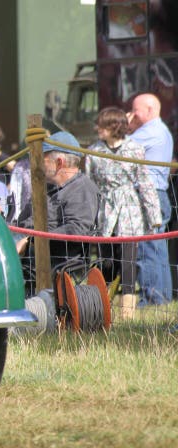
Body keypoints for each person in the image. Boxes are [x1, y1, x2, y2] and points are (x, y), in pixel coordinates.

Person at [85, 107, 161, 318]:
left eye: (102, 125)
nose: (97, 129)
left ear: (114, 127)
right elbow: (90, 186)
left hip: (129, 210)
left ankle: (127, 311)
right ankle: (102, 306)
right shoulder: (93, 151)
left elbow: (144, 182)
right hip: (105, 210)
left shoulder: (135, 150)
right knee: (106, 261)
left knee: (128, 262)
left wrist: (154, 216)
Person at [18, 131, 100, 279]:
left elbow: (76, 229)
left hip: (57, 265)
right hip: (27, 257)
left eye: (42, 159)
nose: (37, 164)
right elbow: (21, 222)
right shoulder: (44, 188)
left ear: (59, 163)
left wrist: (32, 240)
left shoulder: (83, 189)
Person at [128, 93, 174, 305]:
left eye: (135, 110)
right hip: (158, 194)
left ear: (149, 110)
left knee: (148, 248)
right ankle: (161, 296)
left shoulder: (149, 132)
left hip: (149, 197)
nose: (132, 115)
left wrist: (125, 127)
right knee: (157, 248)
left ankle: (153, 298)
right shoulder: (160, 130)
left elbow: (120, 146)